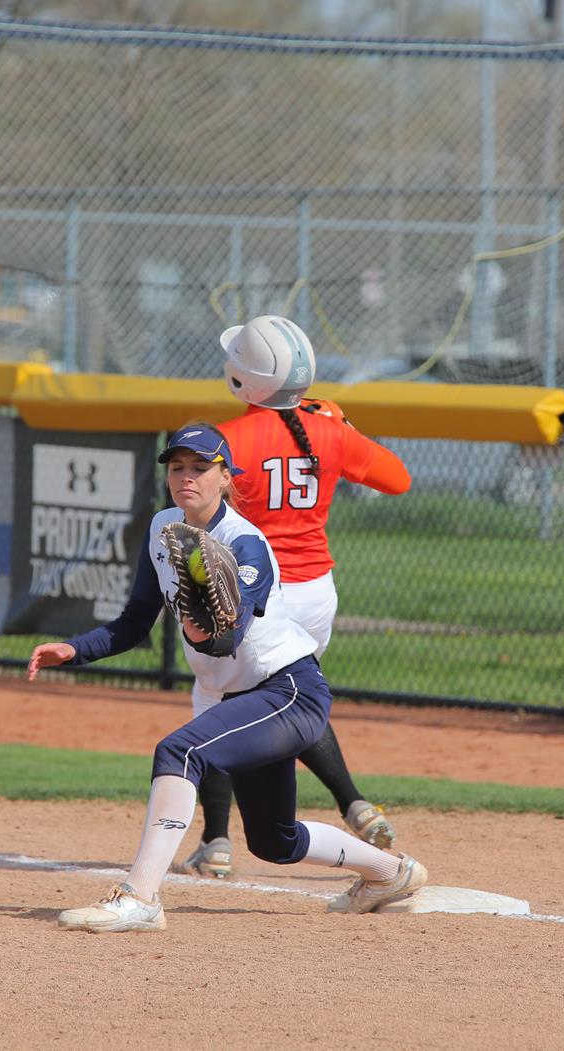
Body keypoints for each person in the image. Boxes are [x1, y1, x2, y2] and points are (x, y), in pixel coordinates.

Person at [26, 423, 428, 932]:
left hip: (289, 692)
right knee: (272, 840)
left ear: (226, 478)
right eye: (177, 467)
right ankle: (392, 873)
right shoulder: (163, 529)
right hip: (245, 697)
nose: (186, 477)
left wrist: (201, 627)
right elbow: (132, 625)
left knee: (179, 750)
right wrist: (75, 649)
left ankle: (140, 897)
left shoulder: (246, 543)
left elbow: (225, 639)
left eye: (200, 467)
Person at [174, 315, 412, 879]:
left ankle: (216, 841)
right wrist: (339, 425)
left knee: (218, 707)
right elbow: (397, 478)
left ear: (244, 378)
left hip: (255, 589)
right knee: (287, 696)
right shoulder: (325, 426)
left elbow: (191, 507)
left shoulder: (231, 438)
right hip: (315, 591)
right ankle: (352, 802)